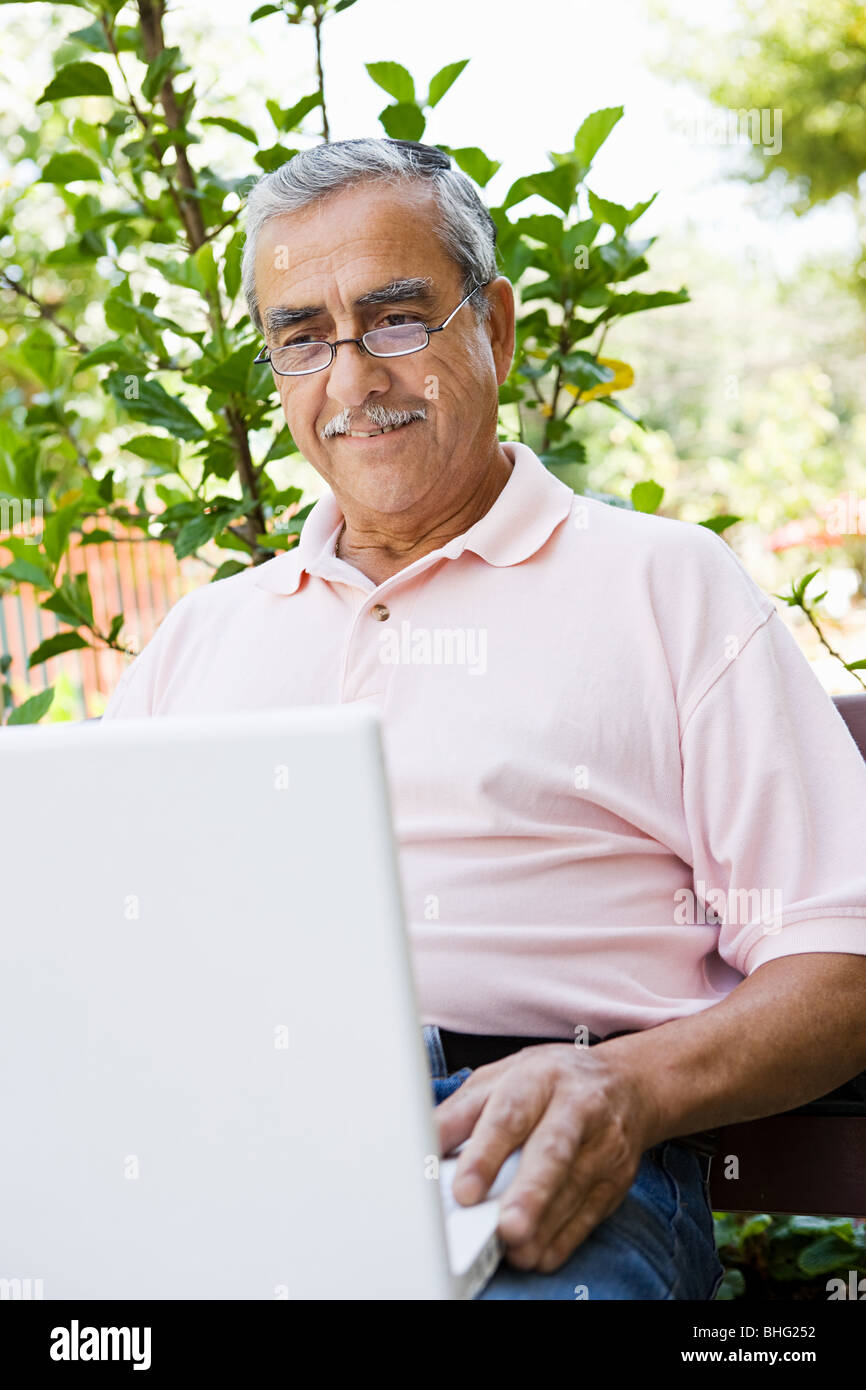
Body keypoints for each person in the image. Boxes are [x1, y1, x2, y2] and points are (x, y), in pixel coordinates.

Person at [101, 138, 866, 1300]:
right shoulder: (201, 640)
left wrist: (627, 1086)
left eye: (396, 320)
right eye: (302, 336)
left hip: (538, 1135)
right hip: (241, 1137)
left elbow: (838, 960)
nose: (350, 380)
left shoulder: (663, 585)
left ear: (494, 329)